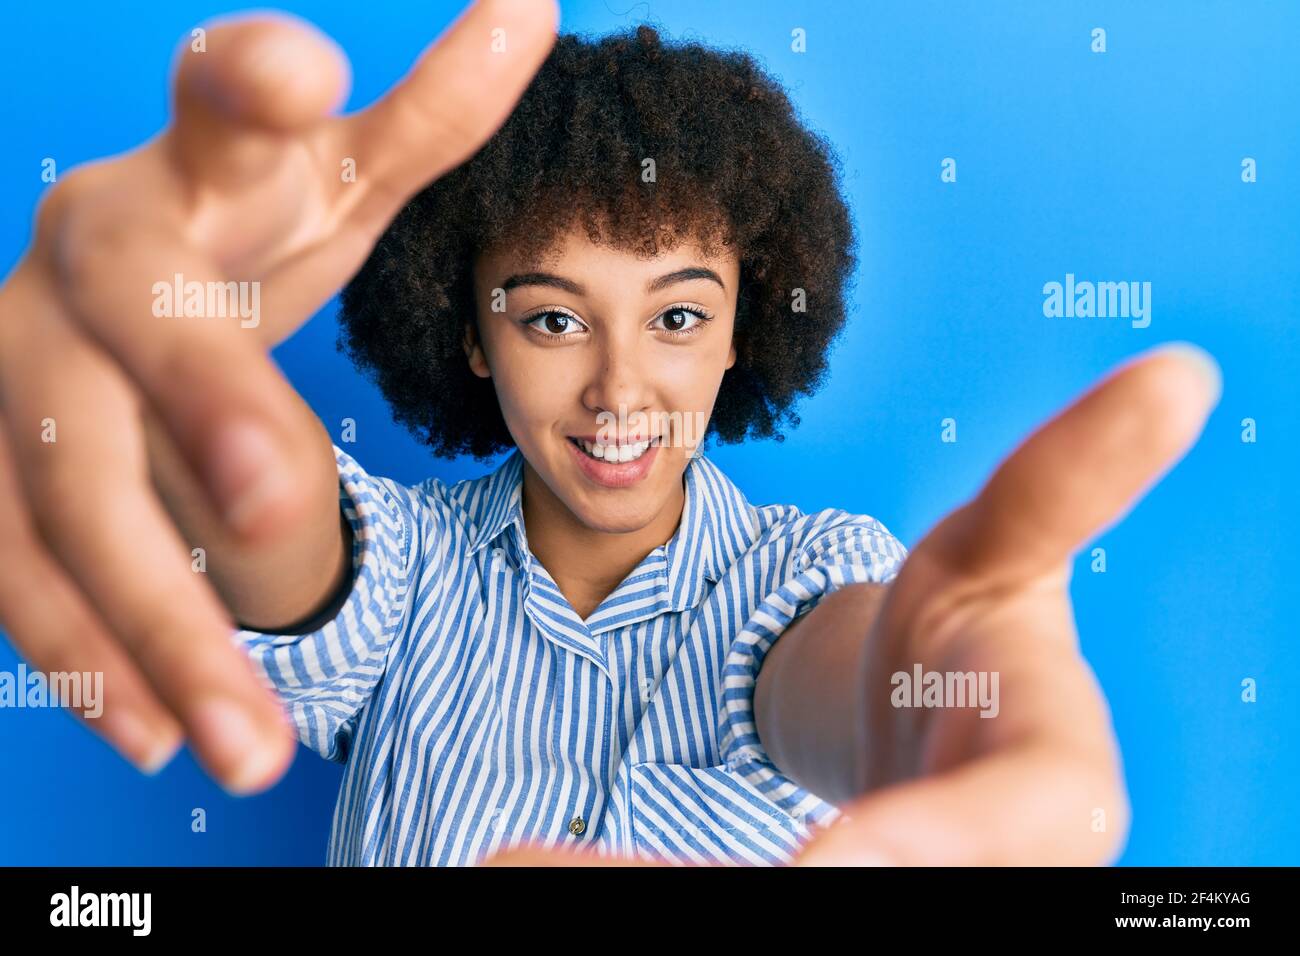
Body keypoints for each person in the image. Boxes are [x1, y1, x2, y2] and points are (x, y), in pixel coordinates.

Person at [0, 0, 1219, 866]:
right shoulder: (411, 568)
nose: (619, 390)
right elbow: (272, 518)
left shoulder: (806, 579)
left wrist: (936, 697)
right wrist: (166, 360)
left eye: (679, 314)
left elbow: (856, 678)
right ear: (469, 335)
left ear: (745, 325)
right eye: (550, 320)